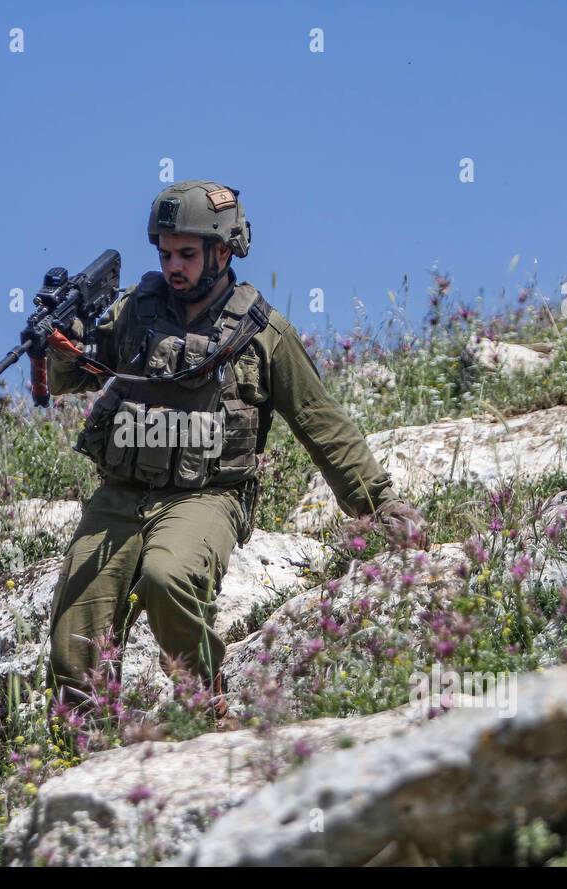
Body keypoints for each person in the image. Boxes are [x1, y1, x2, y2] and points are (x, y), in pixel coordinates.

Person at [44, 179, 428, 722]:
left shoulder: (262, 331)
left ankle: (204, 714)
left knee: (168, 577)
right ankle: (80, 751)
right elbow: (72, 378)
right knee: (72, 633)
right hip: (120, 495)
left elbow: (322, 422)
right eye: (164, 253)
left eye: (186, 254)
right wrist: (64, 343)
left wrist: (379, 503)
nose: (173, 265)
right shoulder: (135, 312)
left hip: (207, 496)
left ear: (223, 251)